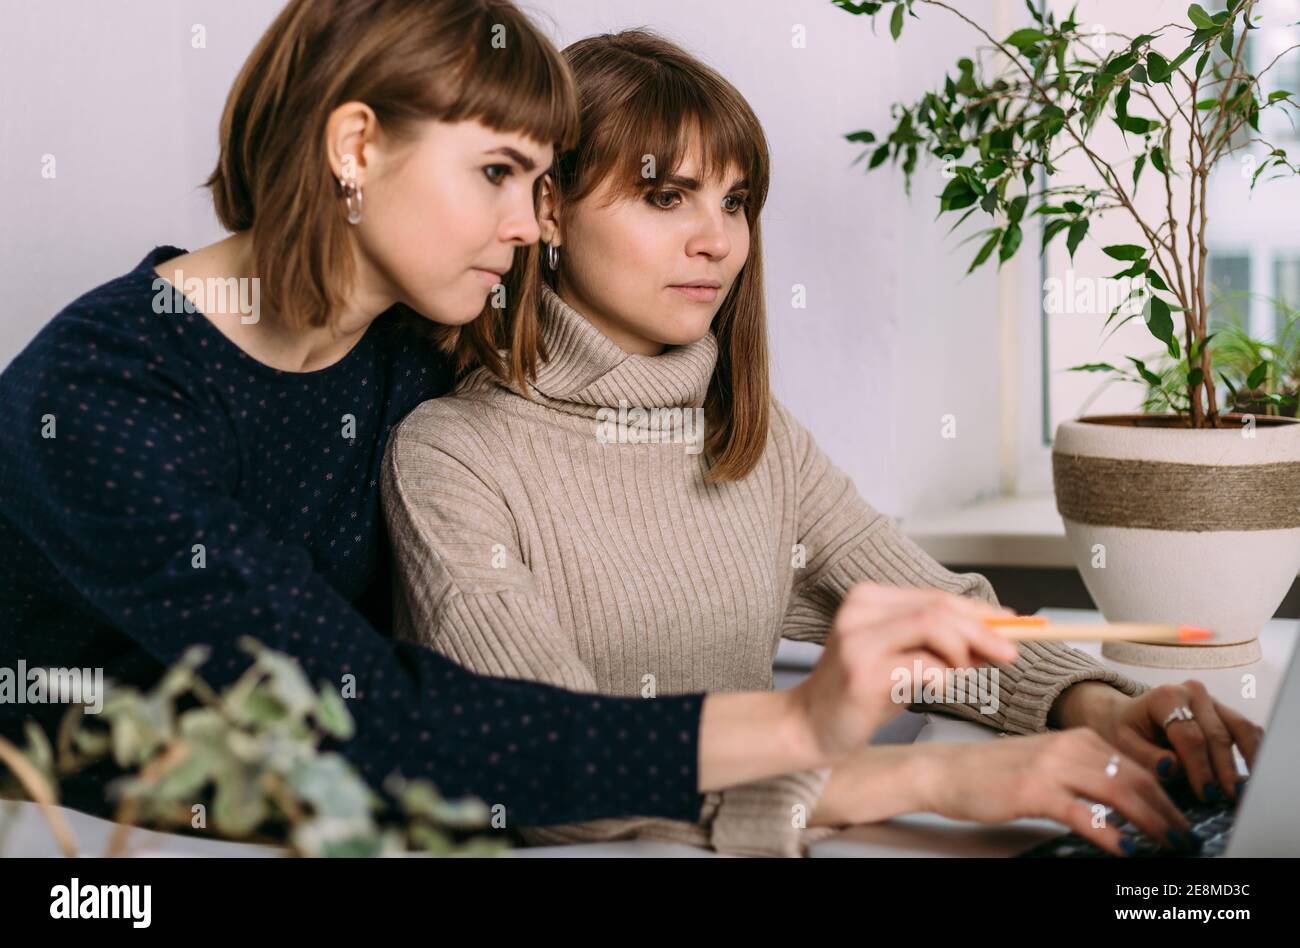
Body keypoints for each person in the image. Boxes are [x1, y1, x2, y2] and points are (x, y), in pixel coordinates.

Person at [0, 0, 1020, 840]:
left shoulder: (413, 344)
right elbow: (375, 715)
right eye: (497, 173)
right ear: (355, 145)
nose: (532, 224)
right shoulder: (103, 392)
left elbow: (634, 504)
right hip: (103, 837)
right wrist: (816, 733)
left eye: (540, 184)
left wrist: (1058, 696)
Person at [381, 29, 1262, 857]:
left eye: (736, 201)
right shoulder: (451, 458)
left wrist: (1097, 706)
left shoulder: (752, 436)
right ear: (551, 212)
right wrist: (933, 775)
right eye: (664, 196)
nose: (717, 240)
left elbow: (939, 621)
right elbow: (550, 769)